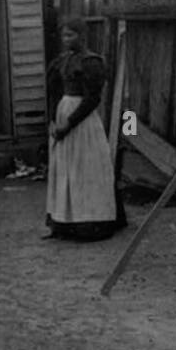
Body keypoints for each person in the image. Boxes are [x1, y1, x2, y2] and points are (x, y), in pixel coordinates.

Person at [43, 19, 122, 241]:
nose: (66, 39)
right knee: (64, 169)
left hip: (82, 121)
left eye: (71, 35)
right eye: (64, 36)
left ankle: (89, 225)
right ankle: (62, 223)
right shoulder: (63, 61)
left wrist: (69, 123)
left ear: (82, 35)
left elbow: (92, 99)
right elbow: (54, 92)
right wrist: (52, 120)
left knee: (84, 170)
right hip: (62, 114)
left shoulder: (91, 62)